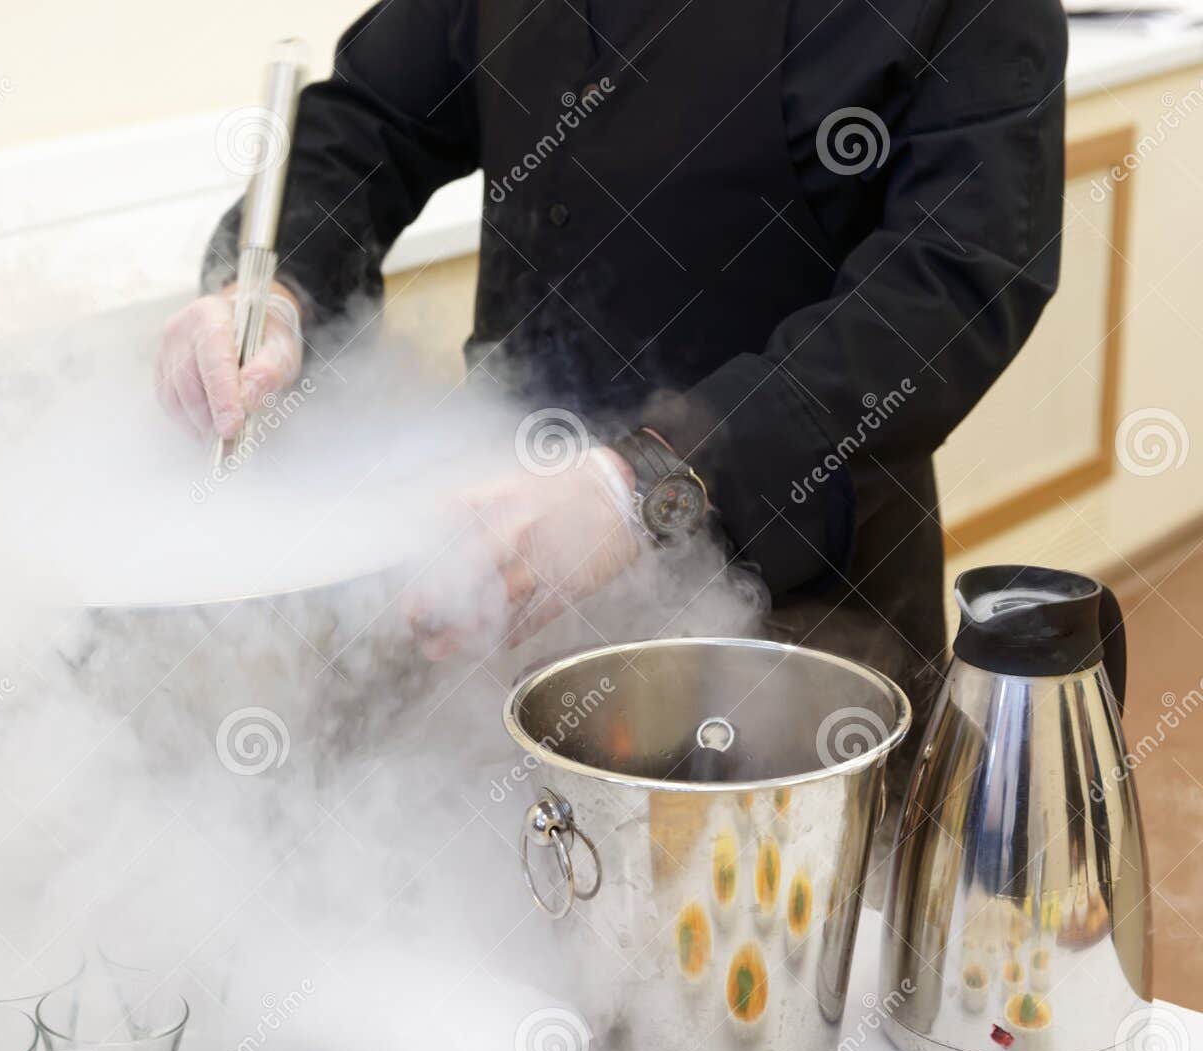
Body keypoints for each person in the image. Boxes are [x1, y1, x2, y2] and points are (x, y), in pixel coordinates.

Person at [156, 0, 1067, 726]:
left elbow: (956, 278)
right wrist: (278, 290)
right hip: (492, 553)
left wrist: (650, 483)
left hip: (797, 612)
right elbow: (372, 121)